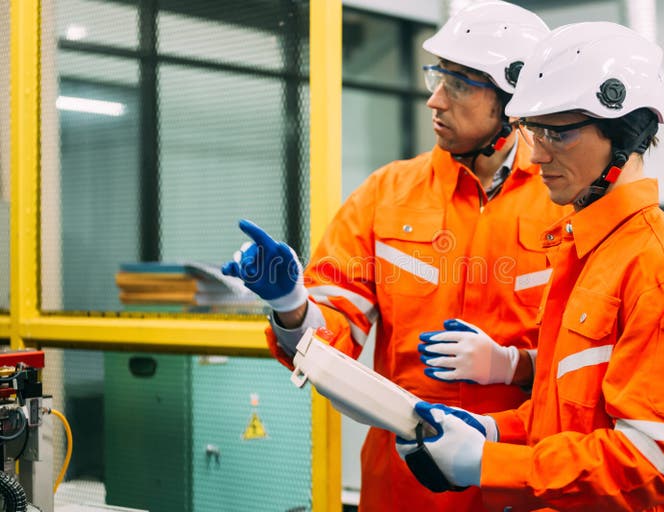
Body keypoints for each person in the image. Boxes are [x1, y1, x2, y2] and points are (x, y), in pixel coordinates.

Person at [222, 2, 567, 510]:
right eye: (437, 77)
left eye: (460, 84)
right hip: (404, 488)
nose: (435, 100)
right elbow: (332, 338)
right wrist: (292, 305)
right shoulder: (387, 195)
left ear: (513, 100)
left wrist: (514, 366)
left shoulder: (565, 206)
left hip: (520, 482)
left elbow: (587, 370)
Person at [398, 21, 664, 512]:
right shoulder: (588, 251)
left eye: (558, 132)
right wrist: (490, 430)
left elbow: (655, 466)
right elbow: (567, 417)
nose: (535, 154)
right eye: (533, 130)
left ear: (625, 134)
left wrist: (489, 462)